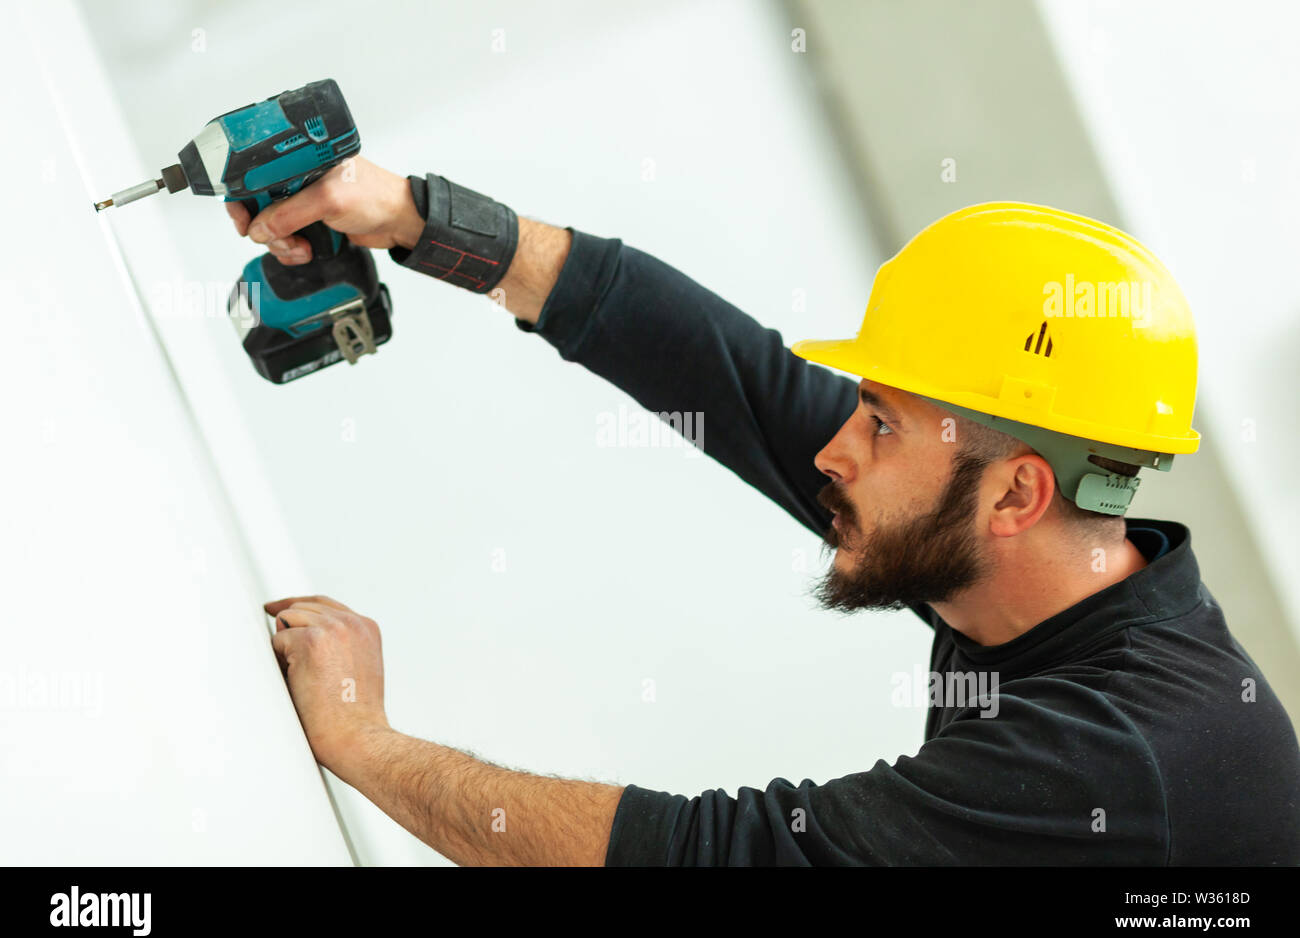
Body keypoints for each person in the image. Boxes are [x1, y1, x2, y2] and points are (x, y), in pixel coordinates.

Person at [233, 157, 1300, 866]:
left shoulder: (1124, 750)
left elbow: (721, 858)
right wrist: (412, 214)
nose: (833, 445)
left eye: (879, 422)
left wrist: (363, 741)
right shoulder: (1014, 567)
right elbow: (719, 369)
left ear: (1017, 491)